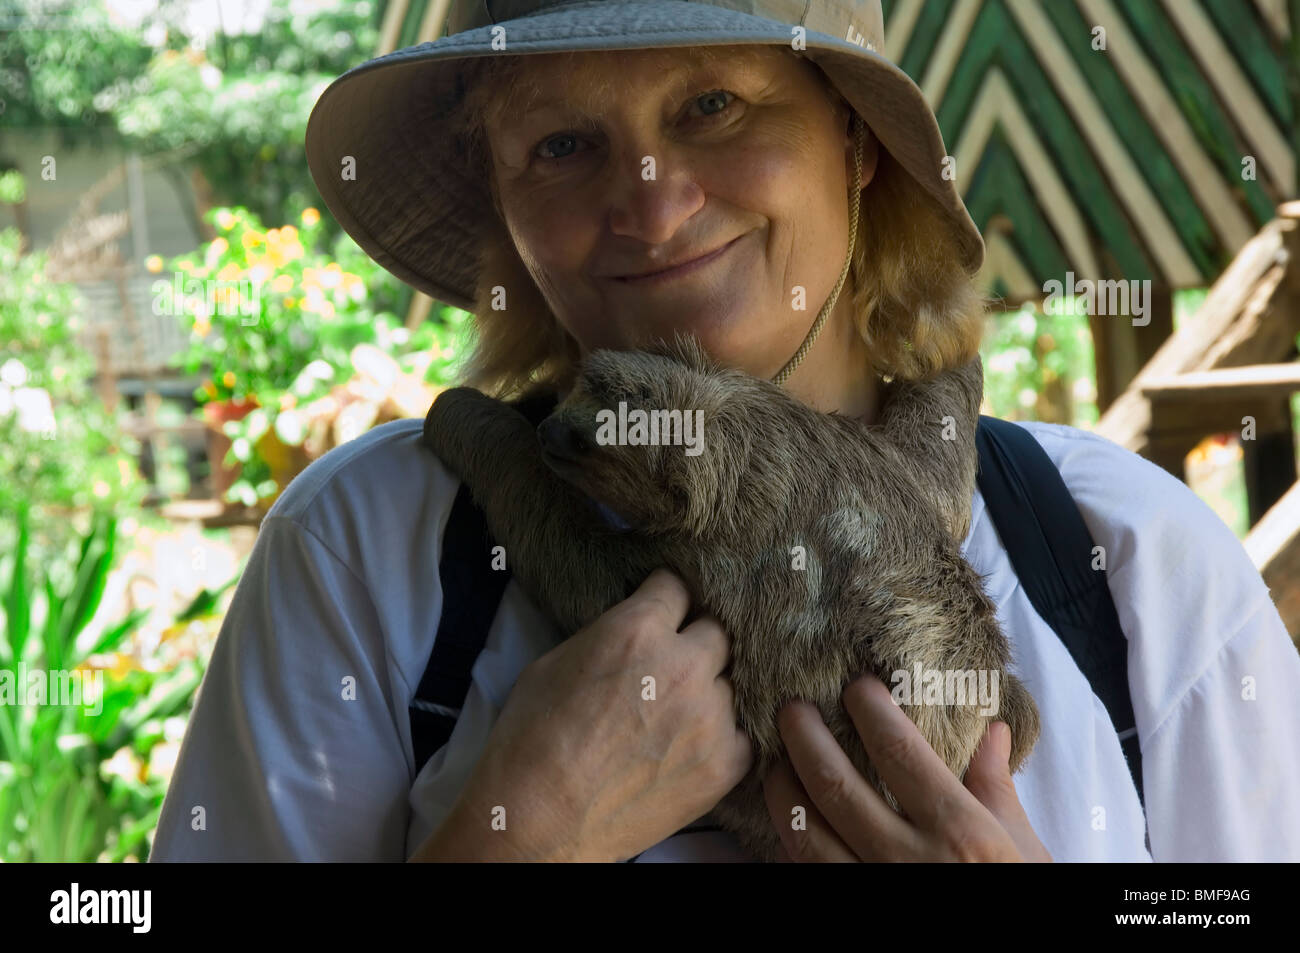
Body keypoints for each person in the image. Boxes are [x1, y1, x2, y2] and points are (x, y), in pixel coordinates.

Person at [149, 0, 1300, 863]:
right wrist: (520, 834)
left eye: (714, 105)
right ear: (501, 196)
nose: (651, 203)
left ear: (853, 140)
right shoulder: (367, 554)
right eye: (560, 144)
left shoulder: (1118, 555)